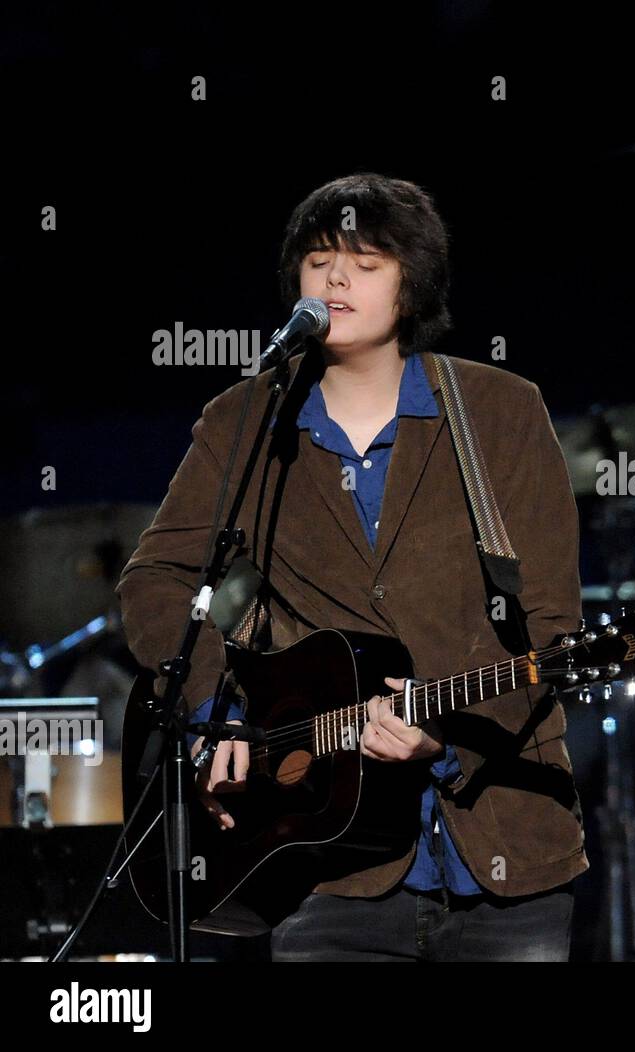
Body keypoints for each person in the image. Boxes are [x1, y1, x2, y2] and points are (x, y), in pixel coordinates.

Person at [117, 172, 588, 961]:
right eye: (317, 260)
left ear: (414, 286)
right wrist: (213, 707)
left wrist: (448, 740)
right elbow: (157, 577)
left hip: (505, 851)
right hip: (320, 859)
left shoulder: (500, 410)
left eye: (366, 263)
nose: (336, 278)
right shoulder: (247, 419)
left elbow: (551, 625)